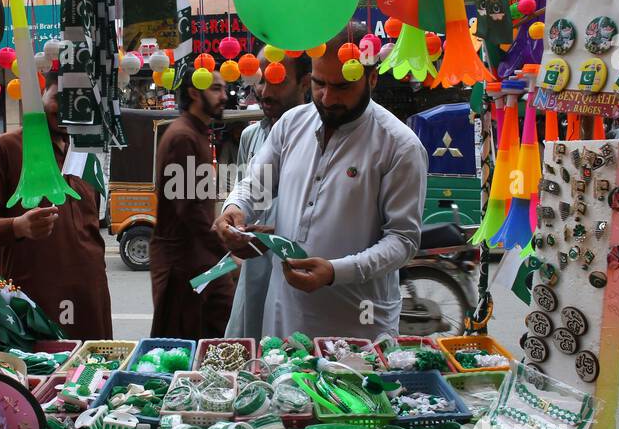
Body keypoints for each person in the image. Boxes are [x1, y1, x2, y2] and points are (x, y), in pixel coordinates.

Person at [215, 24, 427, 339]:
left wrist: (334, 272)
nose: (327, 98)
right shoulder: (290, 125)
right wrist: (235, 208)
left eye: (342, 86)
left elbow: (403, 241)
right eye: (318, 83)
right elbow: (254, 186)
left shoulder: (399, 146)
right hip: (285, 313)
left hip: (359, 321)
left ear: (371, 79)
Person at [0, 74, 112, 340]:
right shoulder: (4, 149)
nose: (67, 109)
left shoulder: (86, 154)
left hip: (89, 297)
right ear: (40, 96)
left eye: (78, 101)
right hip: (30, 303)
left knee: (93, 374)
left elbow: (90, 230)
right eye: (59, 98)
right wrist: (17, 226)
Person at [224, 48, 311, 338]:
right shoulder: (252, 135)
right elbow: (250, 197)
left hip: (302, 267)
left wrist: (283, 229)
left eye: (277, 80)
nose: (263, 91)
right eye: (261, 80)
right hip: (257, 265)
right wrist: (236, 229)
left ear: (305, 83)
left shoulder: (318, 136)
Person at [150, 64, 234, 338]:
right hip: (184, 265)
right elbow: (190, 210)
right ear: (194, 94)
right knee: (189, 340)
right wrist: (228, 251)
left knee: (217, 324)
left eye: (223, 88)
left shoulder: (196, 133)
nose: (224, 96)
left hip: (200, 259)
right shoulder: (184, 137)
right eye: (216, 89)